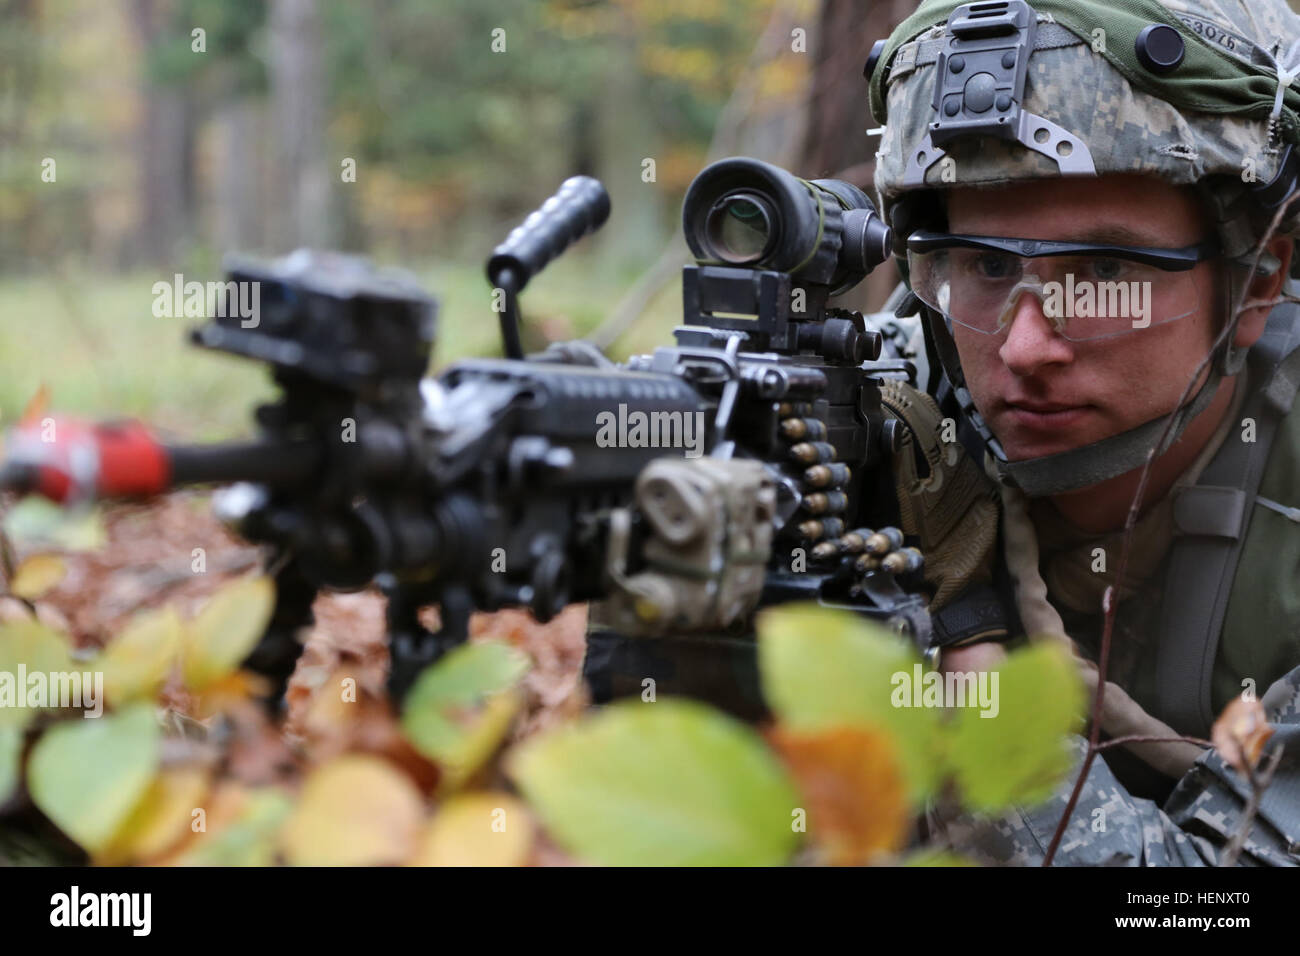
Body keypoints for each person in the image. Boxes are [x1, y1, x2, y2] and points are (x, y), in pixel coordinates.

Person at [865, 0, 1300, 864]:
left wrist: (973, 675)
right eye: (987, 266)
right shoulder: (871, 410)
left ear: (1258, 280)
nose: (1025, 347)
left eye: (1103, 269)